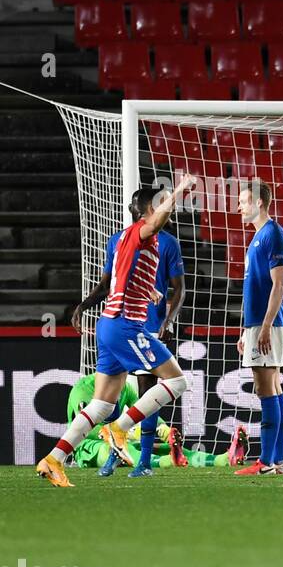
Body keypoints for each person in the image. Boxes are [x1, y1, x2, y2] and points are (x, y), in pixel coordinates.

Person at [37, 174, 198, 488]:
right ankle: (121, 428)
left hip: (110, 325)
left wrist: (150, 294)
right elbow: (155, 222)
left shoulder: (130, 240)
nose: (164, 208)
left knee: (101, 405)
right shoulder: (141, 232)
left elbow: (122, 279)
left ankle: (53, 459)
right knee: (177, 381)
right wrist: (178, 189)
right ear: (144, 213)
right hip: (125, 325)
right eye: (158, 204)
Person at [71, 185, 187, 477]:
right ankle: (113, 451)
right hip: (125, 325)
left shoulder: (169, 242)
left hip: (149, 326)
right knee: (113, 397)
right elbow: (108, 283)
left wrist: (167, 321)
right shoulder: (120, 241)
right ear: (146, 210)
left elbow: (179, 288)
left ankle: (144, 461)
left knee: (150, 391)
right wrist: (84, 305)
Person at [64, 373, 248, 474]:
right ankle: (168, 462)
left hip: (122, 439)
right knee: (123, 449)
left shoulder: (124, 386)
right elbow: (88, 429)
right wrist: (132, 433)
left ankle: (223, 459)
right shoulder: (83, 390)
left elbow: (144, 412)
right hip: (90, 447)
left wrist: (164, 431)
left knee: (167, 446)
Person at [232, 180, 283, 476]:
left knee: (266, 388)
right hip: (258, 323)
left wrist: (266, 325)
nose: (238, 206)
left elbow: (279, 284)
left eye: (242, 201)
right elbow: (255, 288)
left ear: (258, 203)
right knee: (273, 387)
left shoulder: (274, 235)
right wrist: (248, 330)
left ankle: (266, 462)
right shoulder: (258, 236)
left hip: (267, 323)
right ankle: (278, 460)